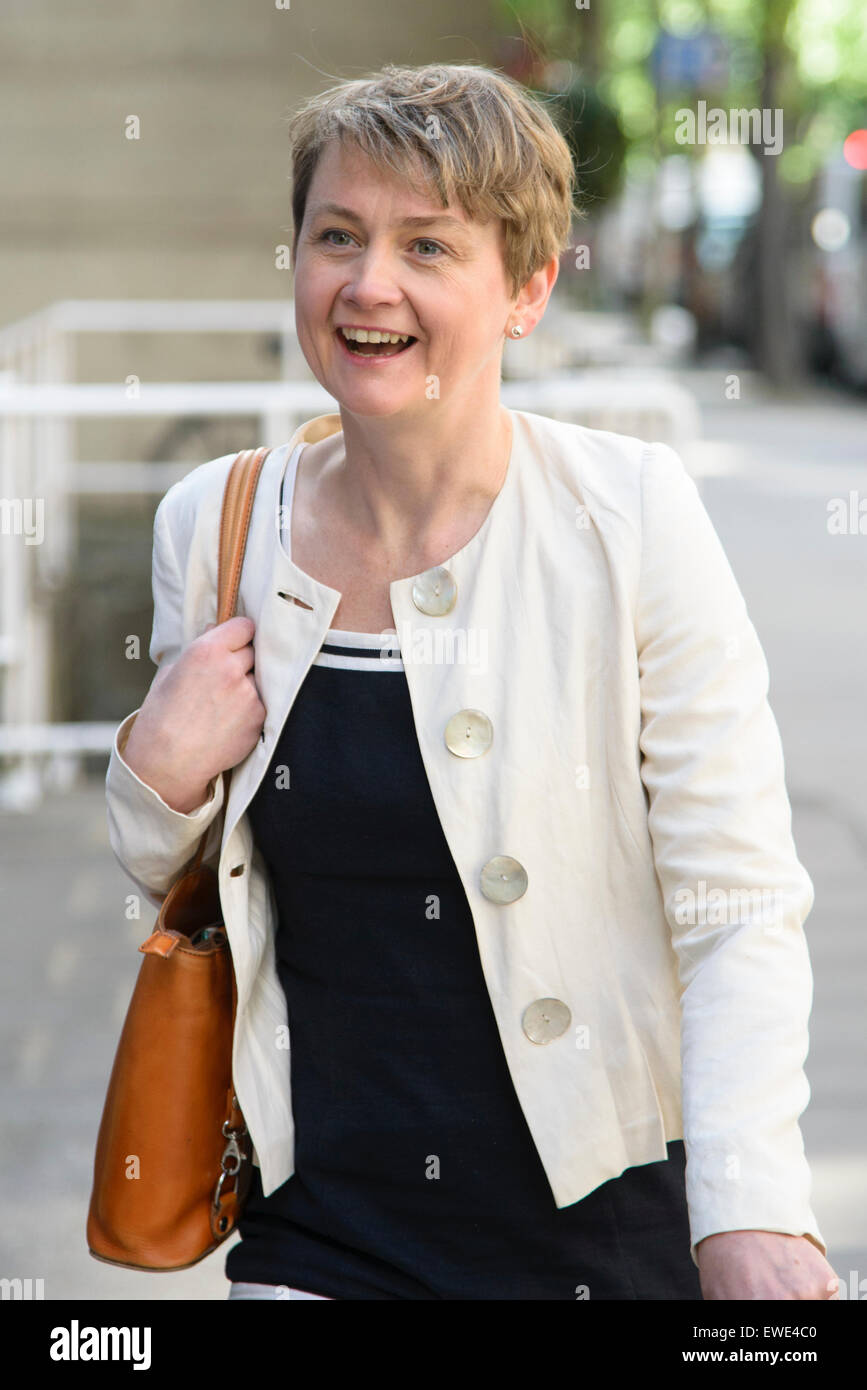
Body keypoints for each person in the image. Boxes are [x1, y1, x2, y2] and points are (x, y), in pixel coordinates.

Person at [105, 62, 839, 1301]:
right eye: (336, 235)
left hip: (606, 1233)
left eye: (427, 246)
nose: (367, 283)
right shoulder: (217, 524)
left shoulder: (631, 519)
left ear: (528, 288)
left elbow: (738, 901)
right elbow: (183, 879)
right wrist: (155, 772)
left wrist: (751, 1205)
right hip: (317, 1237)